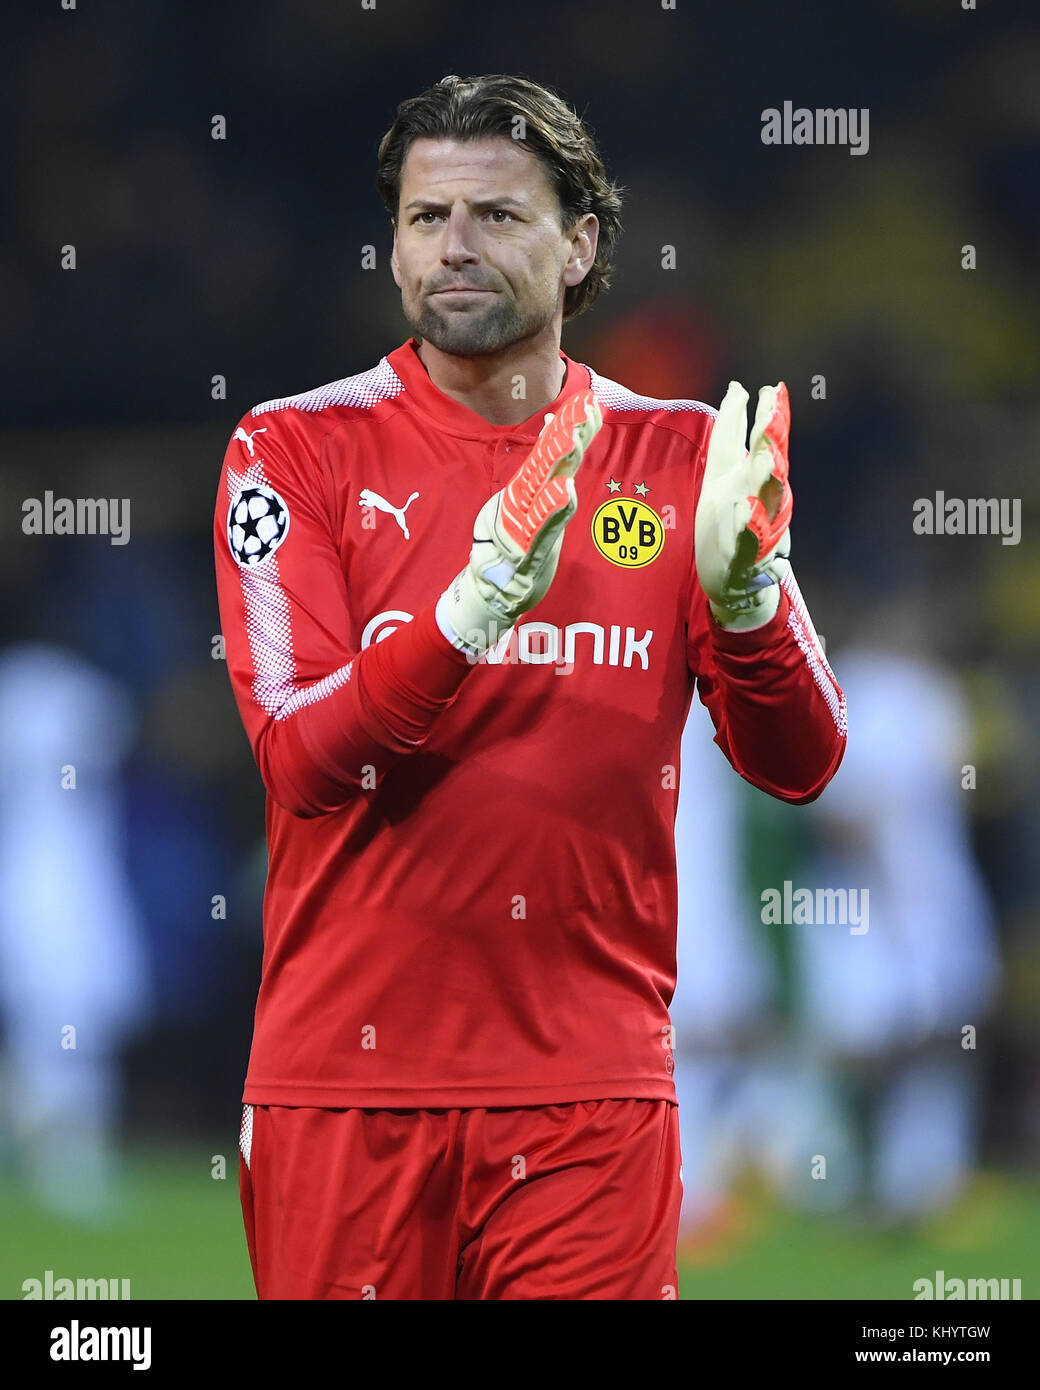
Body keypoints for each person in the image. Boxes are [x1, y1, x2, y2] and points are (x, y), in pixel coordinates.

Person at [213, 72, 846, 1300]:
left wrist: (746, 602)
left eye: (496, 216)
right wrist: (468, 610)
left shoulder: (680, 457)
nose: (453, 246)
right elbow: (298, 759)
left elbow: (801, 759)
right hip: (346, 1090)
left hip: (590, 1095)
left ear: (580, 246)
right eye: (422, 217)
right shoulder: (293, 448)